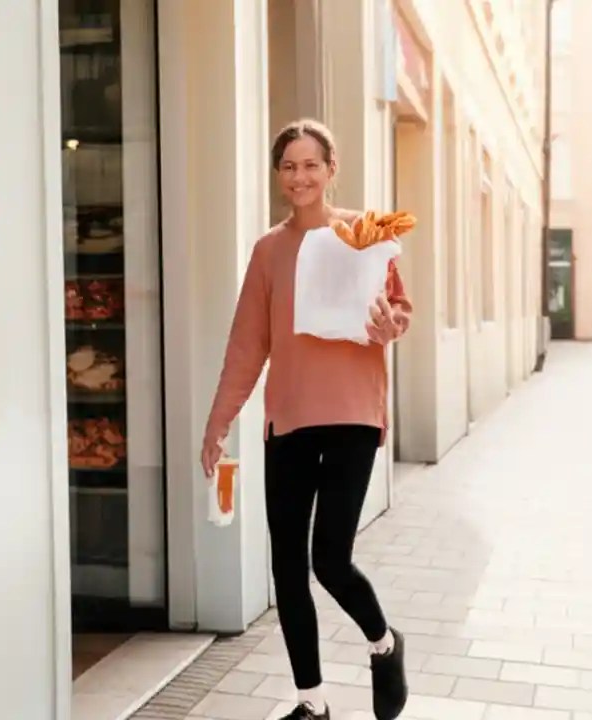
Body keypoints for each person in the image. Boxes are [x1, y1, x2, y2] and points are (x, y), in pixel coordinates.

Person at [200, 119, 412, 720]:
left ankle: (384, 643)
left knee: (330, 560)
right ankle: (311, 703)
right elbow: (247, 345)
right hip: (289, 419)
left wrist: (388, 325)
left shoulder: (363, 235)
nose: (300, 177)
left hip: (352, 415)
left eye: (311, 165)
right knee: (287, 565)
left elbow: (397, 313)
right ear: (278, 174)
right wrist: (218, 423)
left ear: (331, 168)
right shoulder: (268, 251)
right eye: (289, 166)